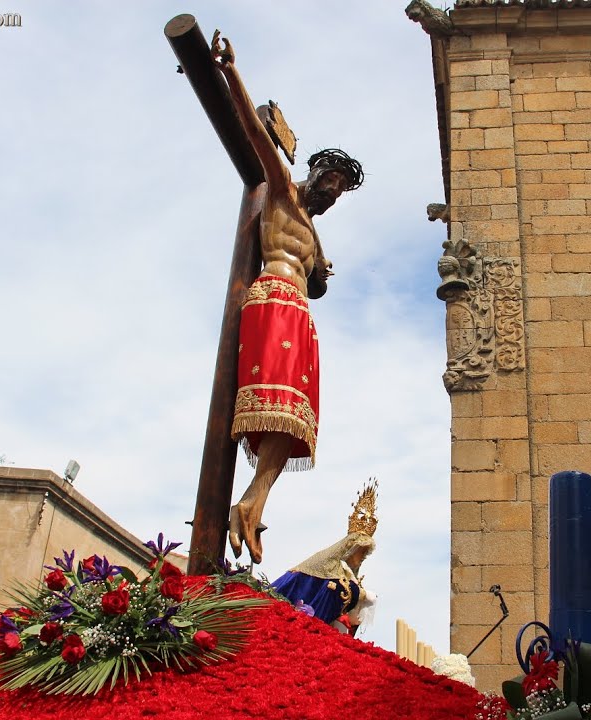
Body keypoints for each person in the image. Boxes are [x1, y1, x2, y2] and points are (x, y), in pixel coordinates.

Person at [212, 32, 366, 565]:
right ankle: (241, 505)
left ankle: (254, 501)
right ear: (314, 174)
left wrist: (321, 275)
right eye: (330, 181)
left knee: (293, 416)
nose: (332, 192)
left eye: (340, 190)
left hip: (299, 313)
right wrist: (232, 73)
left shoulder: (316, 236)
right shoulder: (281, 190)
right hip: (273, 299)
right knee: (272, 404)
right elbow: (257, 133)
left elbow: (318, 286)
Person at [270, 481, 378, 635]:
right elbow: (342, 591)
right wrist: (364, 595)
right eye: (361, 550)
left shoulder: (347, 573)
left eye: (365, 552)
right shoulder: (329, 566)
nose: (361, 557)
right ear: (350, 546)